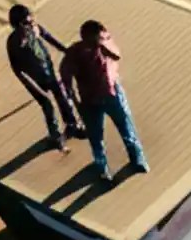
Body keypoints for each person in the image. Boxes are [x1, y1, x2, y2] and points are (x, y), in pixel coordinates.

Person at [59, 20, 149, 182]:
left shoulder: (104, 43)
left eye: (99, 38)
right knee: (96, 137)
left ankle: (138, 159)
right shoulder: (74, 54)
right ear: (85, 38)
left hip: (112, 94)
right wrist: (76, 103)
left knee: (127, 128)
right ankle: (102, 168)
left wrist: (103, 44)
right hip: (89, 101)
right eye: (94, 40)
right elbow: (66, 79)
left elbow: (117, 55)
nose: (97, 42)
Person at [6, 4, 85, 151]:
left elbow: (49, 37)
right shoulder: (13, 42)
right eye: (25, 23)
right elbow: (16, 68)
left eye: (31, 20)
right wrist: (29, 83)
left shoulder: (34, 29)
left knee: (62, 97)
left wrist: (66, 51)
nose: (30, 25)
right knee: (47, 105)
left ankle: (72, 125)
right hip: (33, 79)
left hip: (48, 71)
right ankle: (55, 135)